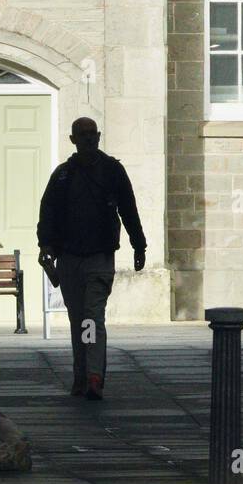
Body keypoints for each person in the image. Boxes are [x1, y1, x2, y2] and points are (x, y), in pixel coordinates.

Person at [37, 117, 146, 400]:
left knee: (91, 317)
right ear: (73, 140)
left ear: (98, 136)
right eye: (82, 135)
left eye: (92, 134)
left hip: (99, 257)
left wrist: (139, 245)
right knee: (78, 319)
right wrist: (45, 244)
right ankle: (82, 376)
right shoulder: (63, 175)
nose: (88, 139)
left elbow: (128, 209)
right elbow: (48, 210)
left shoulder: (112, 171)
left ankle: (93, 376)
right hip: (70, 257)